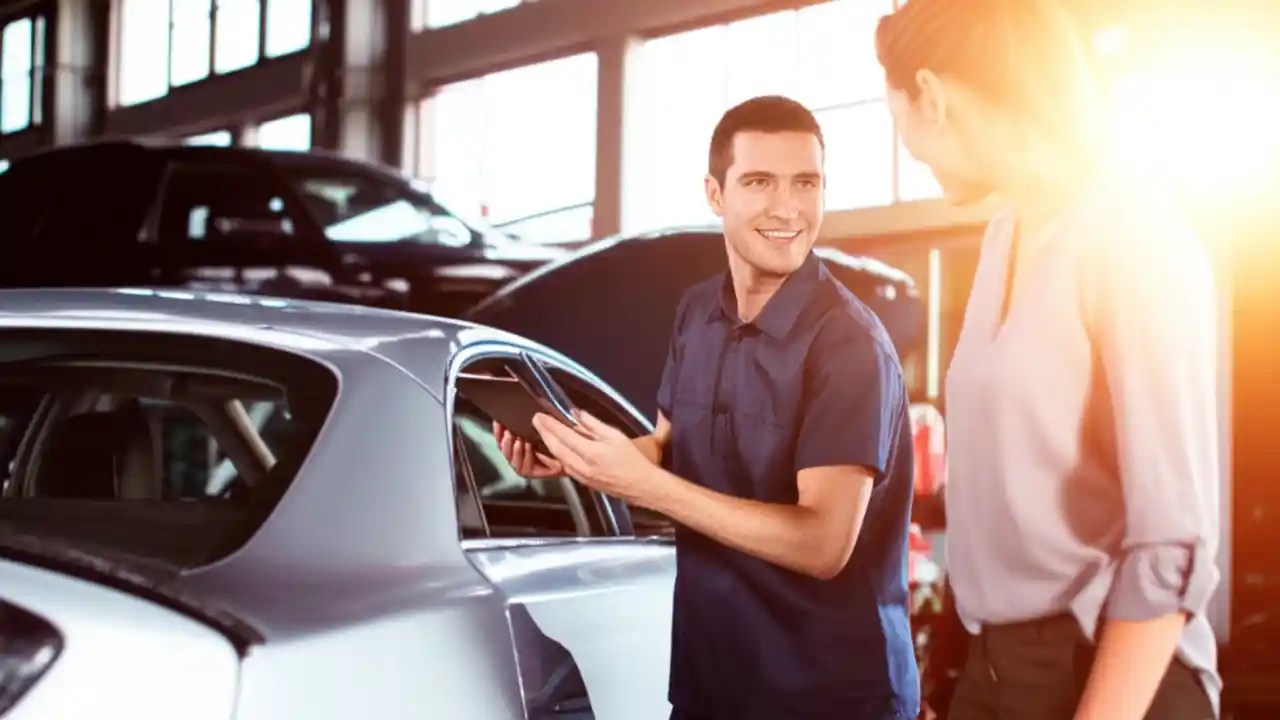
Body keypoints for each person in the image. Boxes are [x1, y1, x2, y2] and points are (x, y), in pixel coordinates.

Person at [495, 95, 920, 719]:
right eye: (759, 182)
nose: (787, 207)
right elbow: (669, 449)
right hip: (712, 685)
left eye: (806, 183)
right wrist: (577, 457)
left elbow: (823, 544)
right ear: (715, 195)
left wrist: (647, 487)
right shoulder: (697, 313)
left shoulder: (849, 346)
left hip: (828, 698)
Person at [875, 1, 1222, 719]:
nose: (906, 141)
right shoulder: (1005, 234)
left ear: (932, 96)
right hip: (994, 666)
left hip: (1108, 672)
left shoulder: (1130, 229)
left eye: (897, 113)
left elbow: (1173, 541)